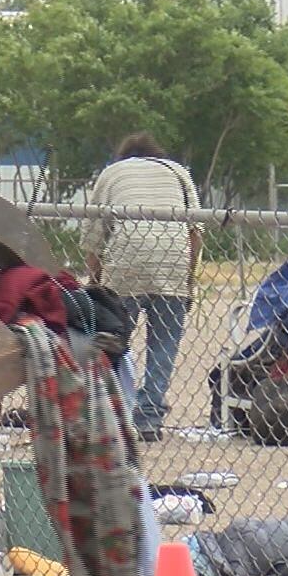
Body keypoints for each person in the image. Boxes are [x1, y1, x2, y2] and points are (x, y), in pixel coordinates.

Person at [85, 133, 201, 442]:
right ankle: (149, 420)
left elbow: (95, 238)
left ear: (123, 157)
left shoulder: (111, 174)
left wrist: (95, 283)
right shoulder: (178, 172)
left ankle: (110, 414)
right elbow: (195, 233)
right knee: (164, 345)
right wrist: (188, 281)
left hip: (126, 261)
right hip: (174, 260)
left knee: (113, 339)